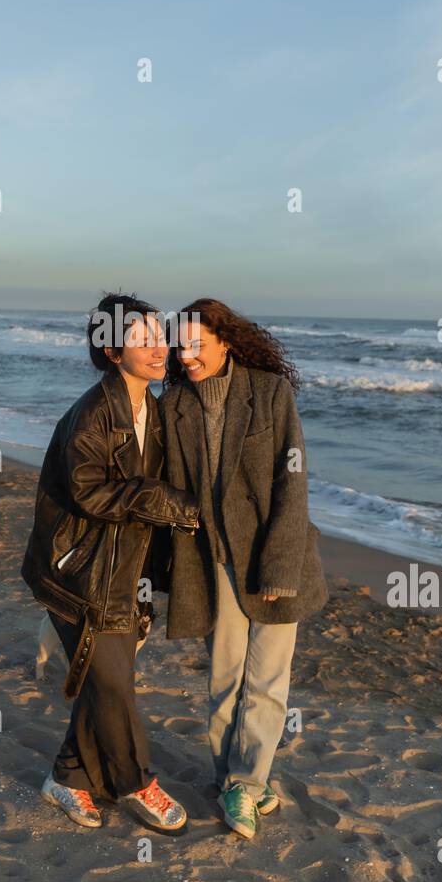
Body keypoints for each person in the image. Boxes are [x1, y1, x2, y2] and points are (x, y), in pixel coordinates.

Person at [21, 293, 199, 831]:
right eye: (141, 339)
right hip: (78, 572)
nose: (157, 347)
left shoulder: (154, 407)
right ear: (111, 349)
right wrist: (175, 505)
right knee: (116, 685)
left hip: (128, 572)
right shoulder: (93, 415)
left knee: (106, 681)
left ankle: (68, 778)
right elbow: (89, 492)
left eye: (158, 335)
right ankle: (135, 782)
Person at [159, 298, 328, 839]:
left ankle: (248, 786)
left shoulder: (269, 393)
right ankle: (232, 778)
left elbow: (291, 481)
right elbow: (170, 485)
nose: (187, 356)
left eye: (197, 345)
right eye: (180, 345)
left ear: (225, 341)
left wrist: (281, 566)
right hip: (212, 561)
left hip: (275, 557)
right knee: (225, 679)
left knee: (269, 683)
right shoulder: (174, 405)